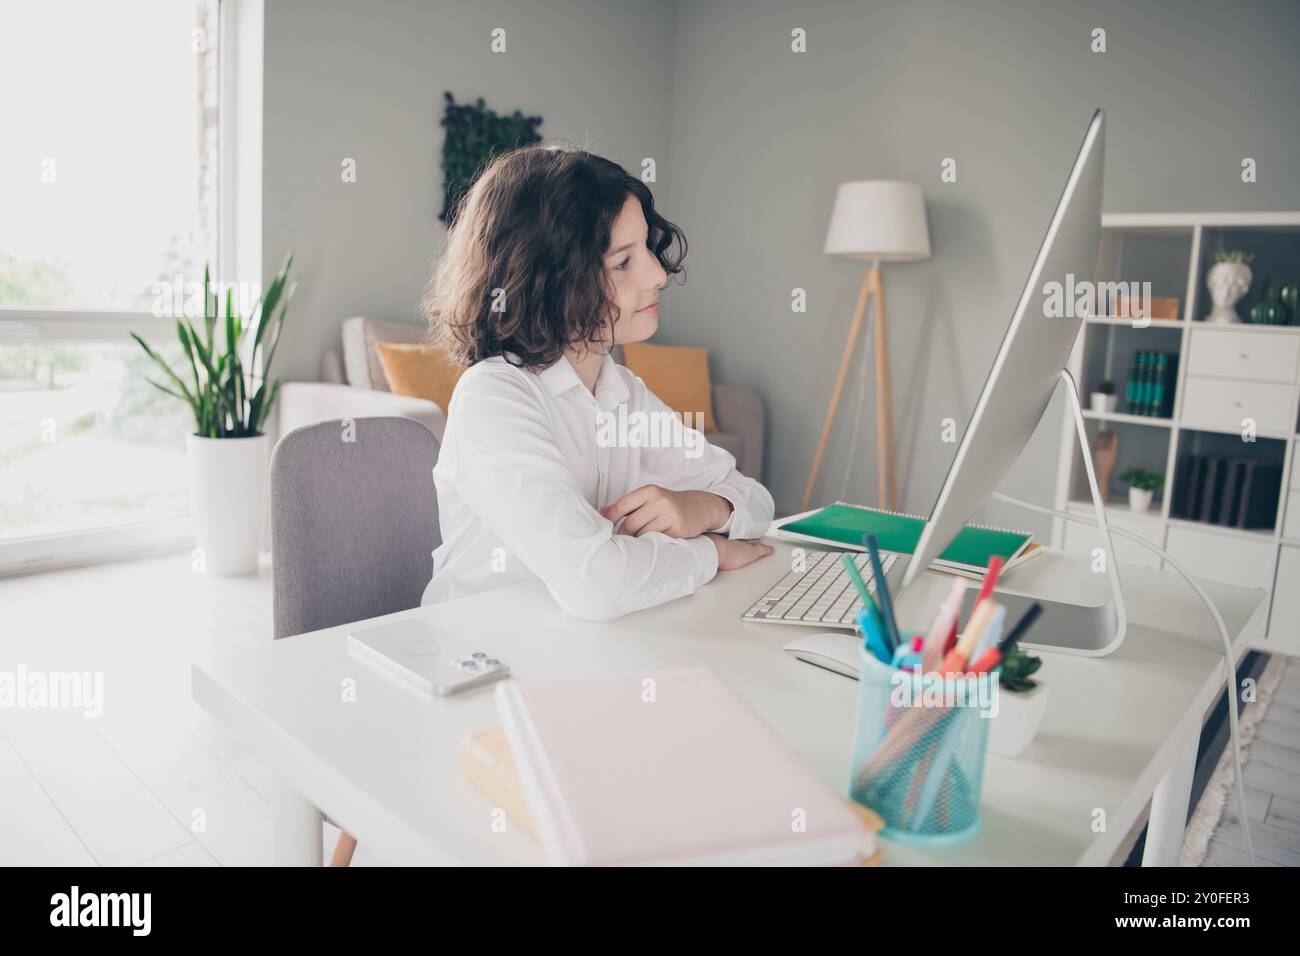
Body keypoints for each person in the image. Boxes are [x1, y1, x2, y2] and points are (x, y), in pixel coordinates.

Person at [420, 142, 775, 621]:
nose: (658, 275)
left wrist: (706, 507)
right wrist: (712, 554)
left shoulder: (621, 390)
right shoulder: (494, 396)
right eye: (623, 262)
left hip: (583, 642)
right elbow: (599, 584)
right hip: (482, 655)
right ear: (550, 281)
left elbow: (755, 499)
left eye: (648, 247)